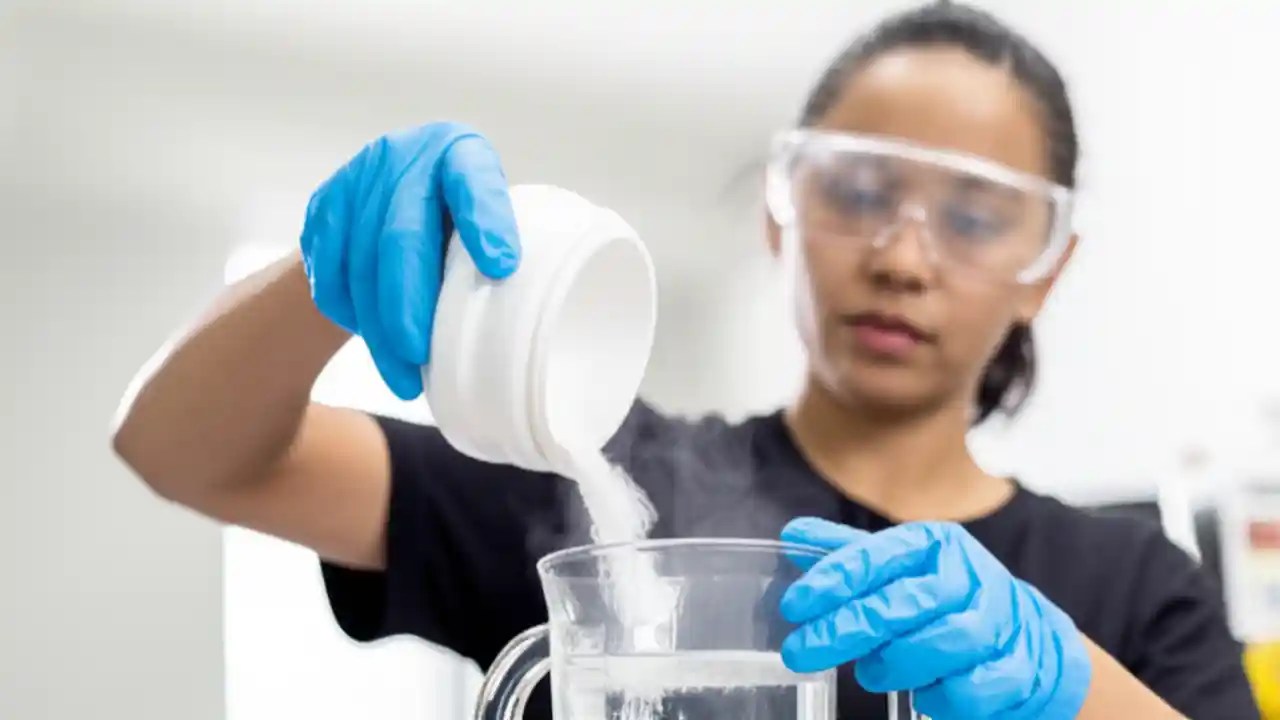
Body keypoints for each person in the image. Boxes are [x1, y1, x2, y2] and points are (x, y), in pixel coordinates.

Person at [112, 3, 1258, 719]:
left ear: (1042, 269)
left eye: (973, 216)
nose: (903, 258)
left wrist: (1069, 689)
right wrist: (329, 275)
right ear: (779, 211)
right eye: (858, 191)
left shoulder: (1131, 583)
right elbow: (180, 451)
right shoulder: (585, 482)